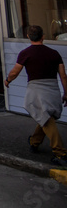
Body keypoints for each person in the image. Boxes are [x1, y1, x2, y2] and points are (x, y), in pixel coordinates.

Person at [5, 25, 67, 165]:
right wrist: (66, 93)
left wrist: (8, 80)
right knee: (46, 117)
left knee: (45, 119)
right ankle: (35, 141)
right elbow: (63, 76)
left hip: (36, 90)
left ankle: (60, 153)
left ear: (28, 37)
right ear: (43, 36)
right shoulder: (54, 53)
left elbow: (15, 72)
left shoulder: (25, 53)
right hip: (53, 89)